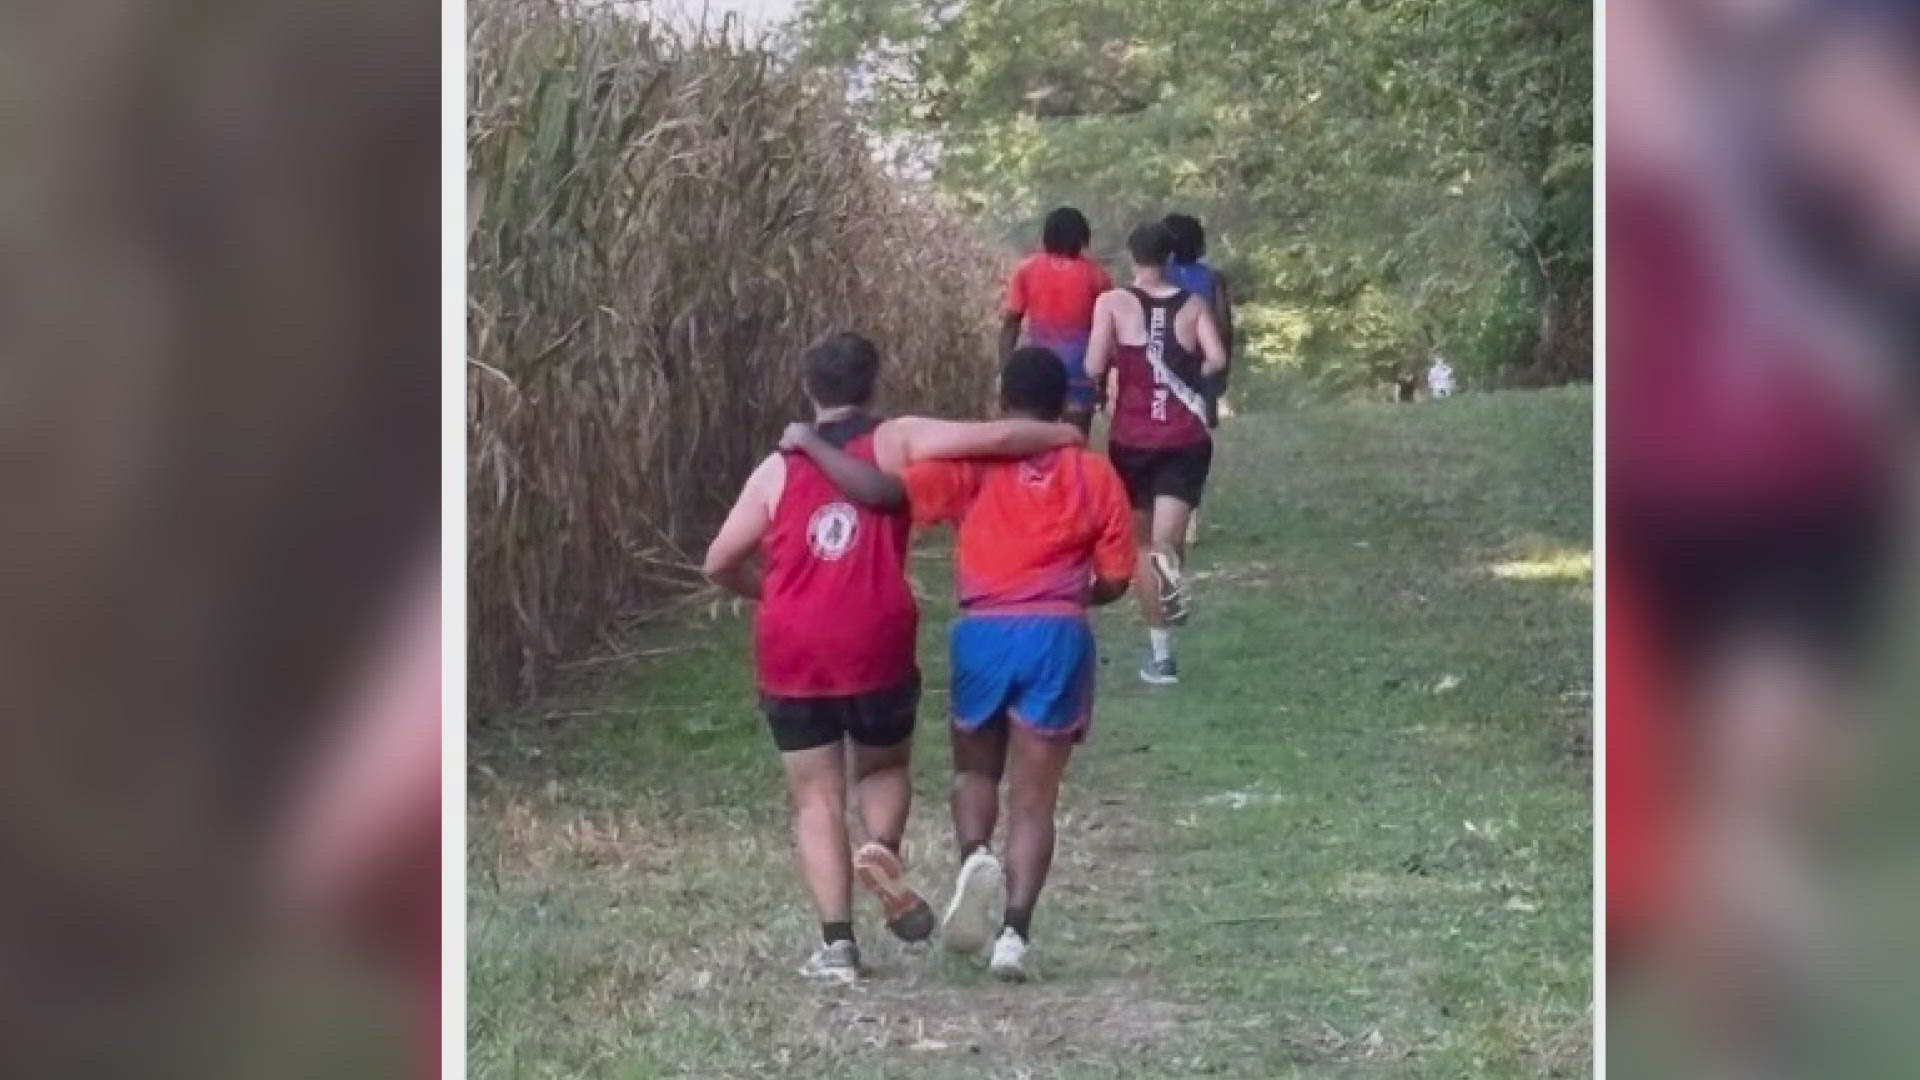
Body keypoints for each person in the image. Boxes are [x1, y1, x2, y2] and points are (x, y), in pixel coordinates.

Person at [702, 332, 1082, 984]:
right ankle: (880, 847)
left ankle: (837, 946)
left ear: (809, 389)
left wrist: (776, 592)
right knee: (882, 765)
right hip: (875, 633)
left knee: (815, 797)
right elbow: (995, 437)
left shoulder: (775, 468)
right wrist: (1064, 436)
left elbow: (718, 561)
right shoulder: (897, 439)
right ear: (873, 384)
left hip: (791, 642)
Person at [781, 346, 1136, 983]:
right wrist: (1077, 594)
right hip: (1056, 632)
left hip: (983, 633)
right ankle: (1014, 936)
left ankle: (975, 854)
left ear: (1001, 399)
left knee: (974, 770)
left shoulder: (975, 465)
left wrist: (812, 452)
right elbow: (1115, 578)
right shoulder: (1095, 474)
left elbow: (889, 496)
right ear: (1064, 404)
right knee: (1035, 801)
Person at [1086, 222, 1228, 685]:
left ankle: (1161, 656)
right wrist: (1190, 374)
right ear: (1170, 259)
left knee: (1143, 547)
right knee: (1166, 545)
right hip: (1184, 438)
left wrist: (1114, 371)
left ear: (1132, 256)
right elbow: (1217, 359)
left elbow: (1092, 363)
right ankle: (1169, 577)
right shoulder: (1193, 304)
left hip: (1133, 438)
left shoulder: (1112, 302)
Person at [1002, 206, 1113, 434]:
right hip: (1080, 369)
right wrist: (1102, 382)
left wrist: (1006, 369)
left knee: (1035, 437)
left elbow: (1011, 323)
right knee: (1074, 438)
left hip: (1038, 368)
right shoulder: (1097, 276)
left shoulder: (1026, 270)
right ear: (1082, 237)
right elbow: (1106, 334)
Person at [1160, 213, 1235, 426]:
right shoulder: (1213, 278)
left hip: (1169, 356)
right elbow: (1224, 325)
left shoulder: (1160, 277)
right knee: (1204, 420)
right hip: (1204, 356)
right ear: (1199, 245)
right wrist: (1224, 363)